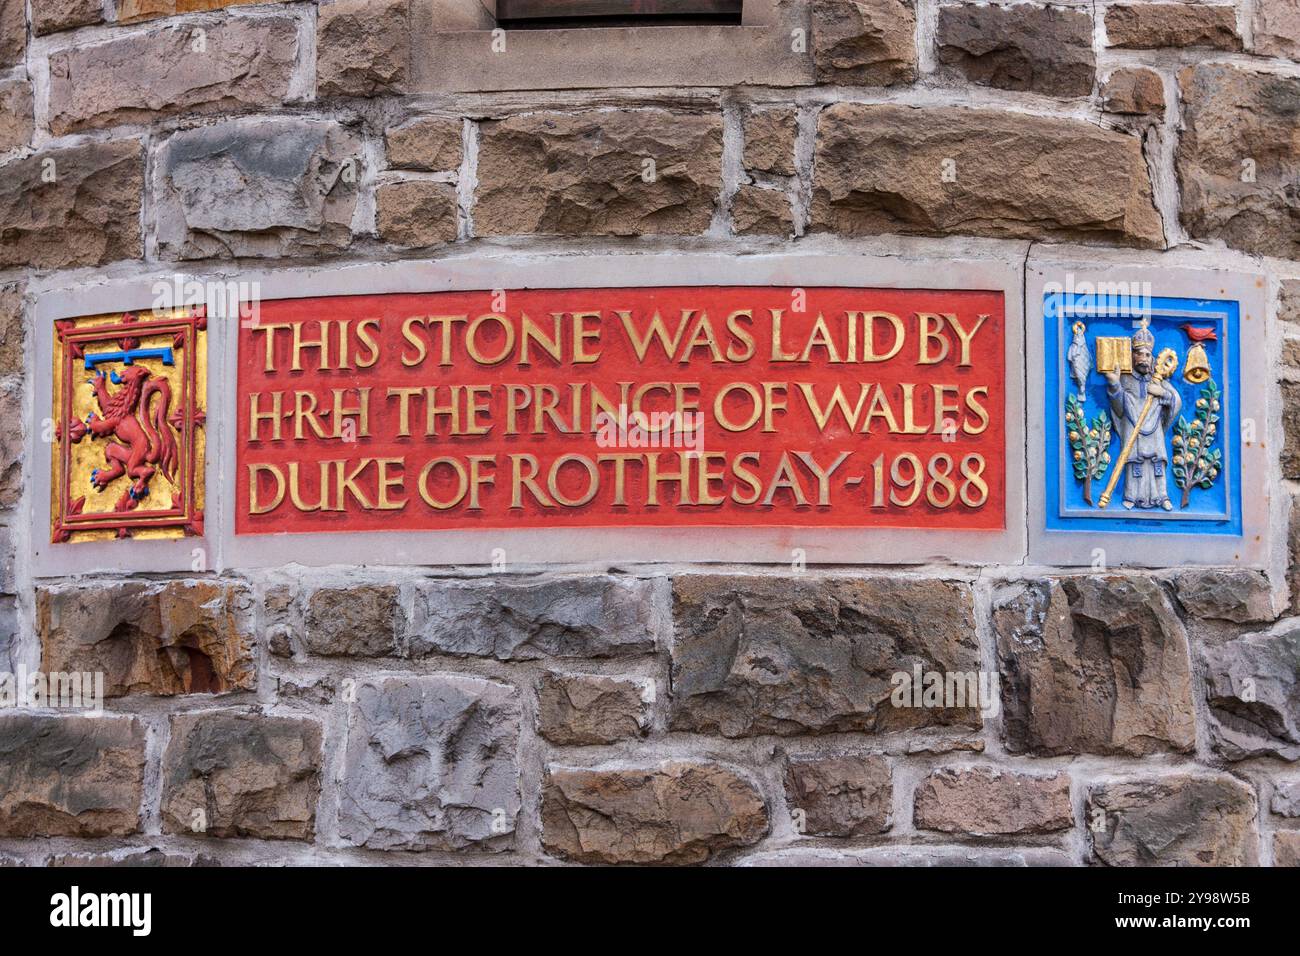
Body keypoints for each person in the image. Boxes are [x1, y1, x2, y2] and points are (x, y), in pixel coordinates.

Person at [1103, 325, 1180, 510]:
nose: (1143, 359)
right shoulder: (1125, 380)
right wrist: (1114, 386)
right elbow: (1119, 409)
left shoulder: (1159, 380)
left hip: (1154, 432)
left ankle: (1162, 497)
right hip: (1132, 429)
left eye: (1147, 355)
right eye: (1139, 354)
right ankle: (1131, 496)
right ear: (1132, 356)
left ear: (1152, 358)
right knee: (1135, 463)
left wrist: (1162, 393)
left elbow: (1176, 401)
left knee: (1157, 464)